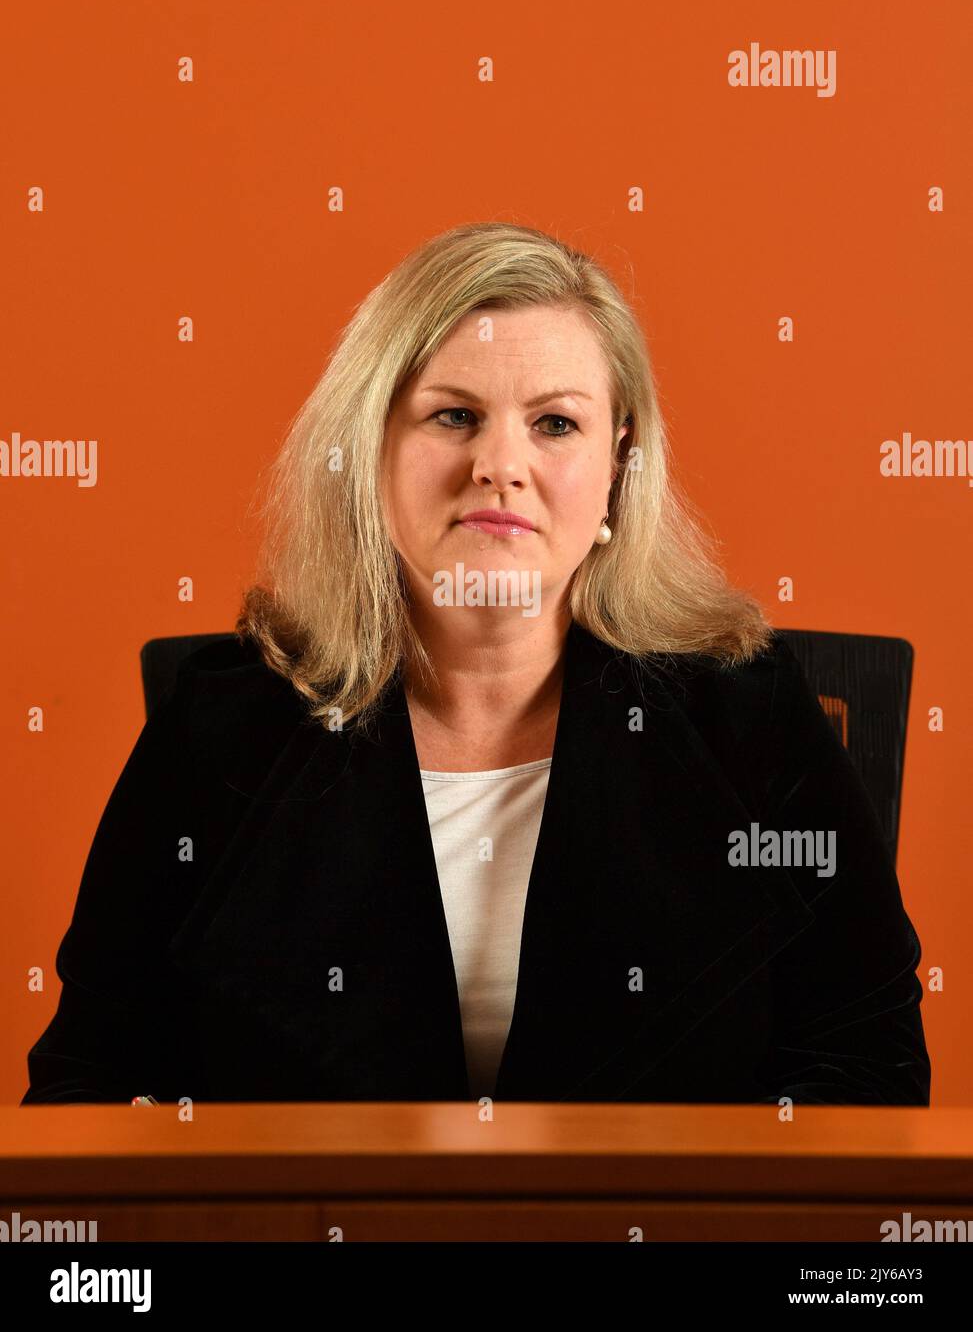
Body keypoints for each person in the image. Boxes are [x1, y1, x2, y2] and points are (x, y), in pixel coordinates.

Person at [22, 222, 931, 1105]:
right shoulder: (218, 730)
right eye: (453, 416)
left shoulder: (751, 720)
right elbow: (88, 1082)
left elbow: (867, 1072)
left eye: (555, 424)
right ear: (369, 448)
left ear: (618, 466)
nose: (499, 465)